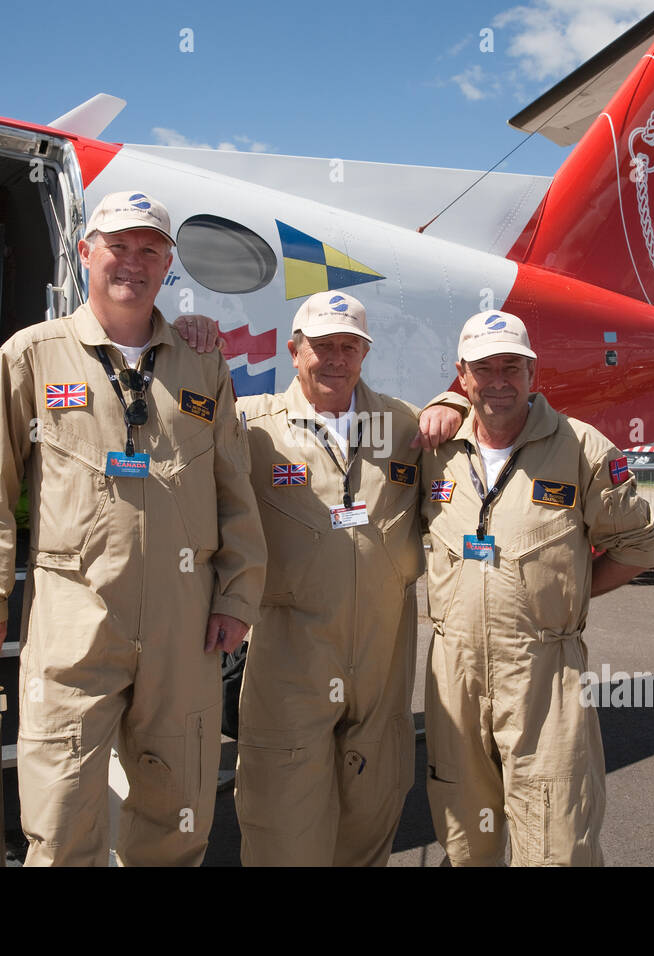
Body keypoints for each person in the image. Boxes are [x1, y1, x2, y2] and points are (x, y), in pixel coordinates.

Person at [0, 191, 266, 866]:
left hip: (184, 626)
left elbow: (234, 488)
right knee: (62, 818)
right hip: (75, 619)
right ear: (85, 252)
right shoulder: (31, 356)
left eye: (150, 249)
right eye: (118, 246)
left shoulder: (200, 361)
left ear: (168, 265)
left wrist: (238, 598)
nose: (133, 261)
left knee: (178, 818)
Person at [178, 291, 464, 865]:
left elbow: (494, 421)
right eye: (322, 346)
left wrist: (454, 398)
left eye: (350, 347)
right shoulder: (252, 426)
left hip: (383, 658)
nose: (336, 359)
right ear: (294, 349)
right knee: (281, 817)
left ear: (364, 353)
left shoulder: (404, 425)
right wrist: (186, 339)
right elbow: (177, 429)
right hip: (289, 655)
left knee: (372, 806)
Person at [419, 310, 654, 866]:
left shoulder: (582, 448)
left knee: (557, 834)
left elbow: (637, 547)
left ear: (534, 373)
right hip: (454, 670)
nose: (498, 380)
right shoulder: (433, 448)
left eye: (512, 366)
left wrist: (566, 595)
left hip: (545, 670)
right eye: (484, 368)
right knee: (463, 835)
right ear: (462, 374)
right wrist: (443, 404)